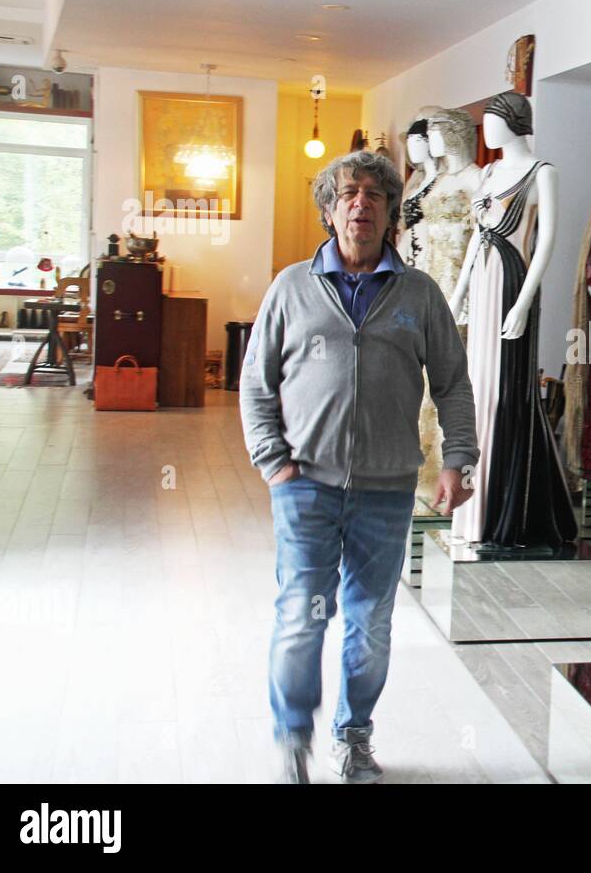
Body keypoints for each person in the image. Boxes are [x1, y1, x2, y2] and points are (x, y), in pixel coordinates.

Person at [240, 149, 478, 783]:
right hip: (305, 485)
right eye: (349, 193)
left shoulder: (419, 293)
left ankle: (355, 738)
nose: (361, 204)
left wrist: (457, 456)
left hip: (387, 489)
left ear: (391, 210)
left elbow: (453, 382)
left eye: (375, 194)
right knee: (301, 615)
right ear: (329, 208)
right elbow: (256, 382)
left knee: (369, 622)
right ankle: (293, 737)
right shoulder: (292, 286)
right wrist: (274, 463)